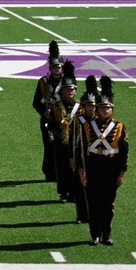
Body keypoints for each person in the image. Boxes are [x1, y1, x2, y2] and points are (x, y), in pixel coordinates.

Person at [77, 77, 129, 246]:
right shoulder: (86, 125)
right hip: (93, 168)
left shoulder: (119, 126)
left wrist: (121, 173)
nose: (105, 110)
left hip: (111, 168)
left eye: (108, 107)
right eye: (101, 108)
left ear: (112, 109)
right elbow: (81, 151)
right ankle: (95, 234)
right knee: (93, 203)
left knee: (108, 204)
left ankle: (107, 233)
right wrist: (81, 172)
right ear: (97, 110)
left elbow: (124, 152)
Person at [32, 41, 65, 182]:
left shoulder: (67, 82)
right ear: (50, 68)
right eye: (54, 67)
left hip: (64, 118)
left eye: (59, 67)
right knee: (49, 145)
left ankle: (62, 173)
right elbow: (35, 102)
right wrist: (44, 112)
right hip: (48, 119)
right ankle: (49, 173)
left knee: (64, 146)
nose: (57, 69)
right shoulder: (43, 82)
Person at [69, 76, 100, 224]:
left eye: (93, 105)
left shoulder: (100, 121)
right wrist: (72, 156)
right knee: (80, 187)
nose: (91, 108)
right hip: (80, 156)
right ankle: (82, 215)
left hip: (96, 157)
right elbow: (73, 139)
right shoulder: (79, 120)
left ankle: (94, 214)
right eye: (88, 105)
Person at [48, 61, 80, 202]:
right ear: (62, 91)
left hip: (77, 142)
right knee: (62, 168)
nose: (70, 92)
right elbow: (50, 124)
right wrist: (58, 127)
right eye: (67, 89)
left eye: (72, 89)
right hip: (61, 140)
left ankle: (74, 192)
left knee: (75, 167)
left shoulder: (80, 107)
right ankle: (64, 192)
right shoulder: (56, 106)